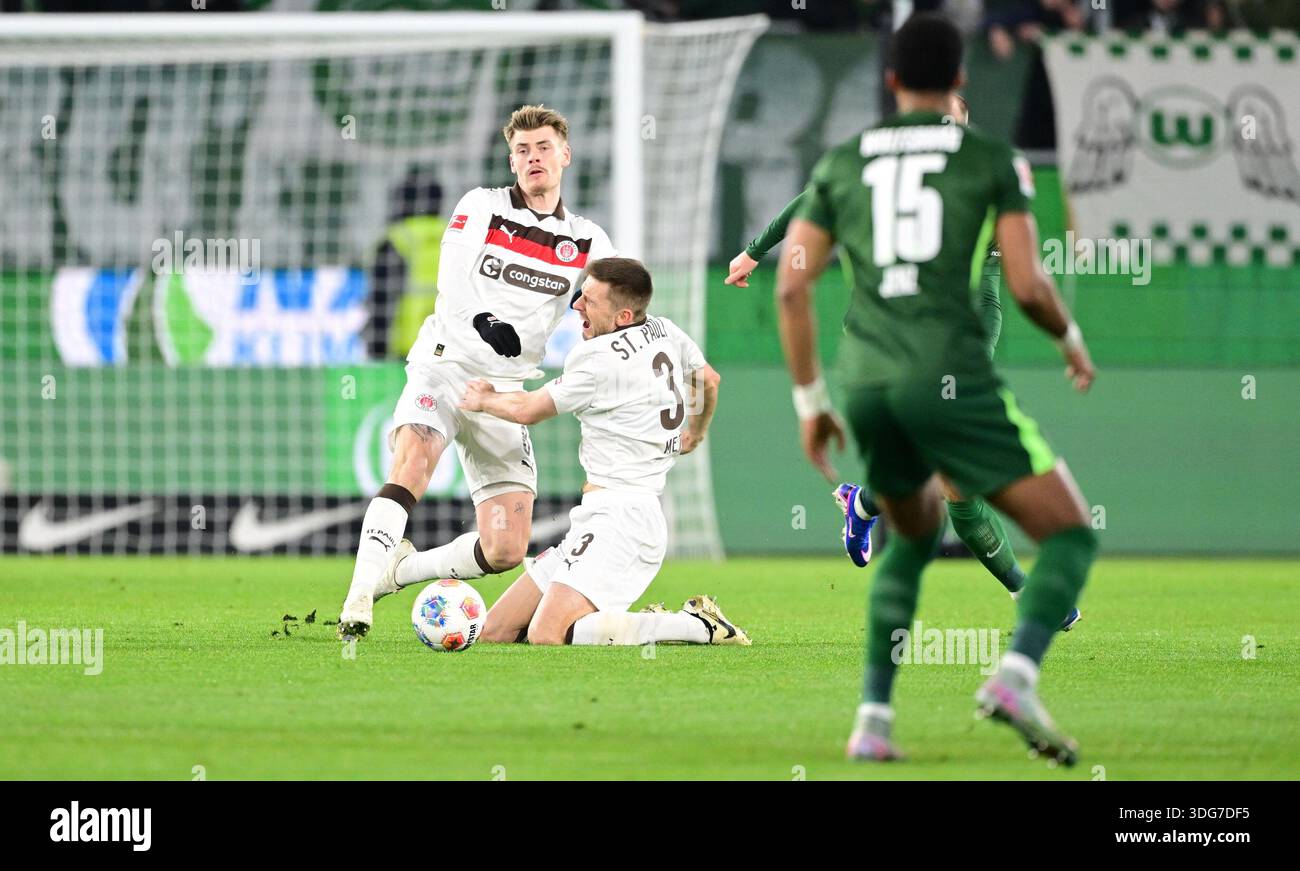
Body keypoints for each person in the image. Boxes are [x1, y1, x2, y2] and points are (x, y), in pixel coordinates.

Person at [775, 13, 1098, 765]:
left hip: (867, 384)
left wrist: (809, 401)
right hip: (953, 381)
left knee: (914, 537)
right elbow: (1026, 282)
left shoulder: (842, 162)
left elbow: (793, 291)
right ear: (960, 79)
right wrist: (1069, 340)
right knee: (1073, 532)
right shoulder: (991, 159)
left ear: (890, 80)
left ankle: (873, 721)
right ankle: (1017, 673)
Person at [726, 95, 1080, 633]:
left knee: (952, 475)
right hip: (885, 335)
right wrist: (755, 250)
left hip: (952, 337)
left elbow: (1003, 280)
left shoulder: (980, 174)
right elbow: (811, 202)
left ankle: (866, 504)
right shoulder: (883, 165)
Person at [337, 104, 616, 638]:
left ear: (566, 155)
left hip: (506, 390)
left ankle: (401, 570)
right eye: (522, 151)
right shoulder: (481, 206)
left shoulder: (587, 240)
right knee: (413, 462)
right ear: (511, 162)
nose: (533, 158)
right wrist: (485, 320)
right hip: (445, 365)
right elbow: (454, 278)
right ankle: (357, 601)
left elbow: (609, 301)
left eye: (543, 148)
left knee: (506, 547)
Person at [460, 257, 749, 647]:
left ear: (623, 316)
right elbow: (708, 380)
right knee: (495, 632)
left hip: (624, 522)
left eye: (590, 300)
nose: (577, 303)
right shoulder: (665, 330)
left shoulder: (597, 360)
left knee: (548, 635)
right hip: (598, 518)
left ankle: (695, 625)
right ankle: (627, 622)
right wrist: (694, 434)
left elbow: (528, 410)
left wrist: (485, 399)